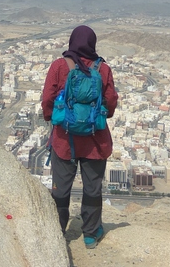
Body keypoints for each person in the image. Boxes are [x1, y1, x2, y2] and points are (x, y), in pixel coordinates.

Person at [41, 25, 118, 249]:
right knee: (92, 188)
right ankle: (91, 234)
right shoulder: (103, 69)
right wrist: (100, 116)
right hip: (95, 140)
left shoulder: (59, 66)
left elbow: (48, 97)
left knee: (61, 188)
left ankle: (58, 230)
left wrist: (52, 119)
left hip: (65, 140)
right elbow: (111, 100)